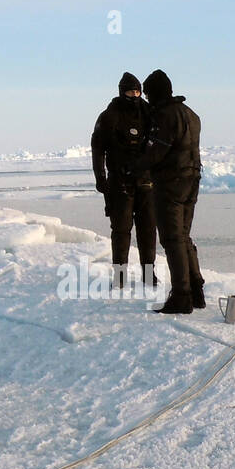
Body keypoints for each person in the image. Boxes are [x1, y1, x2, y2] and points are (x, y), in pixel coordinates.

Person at [136, 70, 205, 313]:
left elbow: (156, 151)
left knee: (172, 238)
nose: (146, 97)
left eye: (147, 92)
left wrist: (135, 166)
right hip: (192, 179)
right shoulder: (191, 114)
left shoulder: (165, 116)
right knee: (184, 236)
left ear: (155, 92)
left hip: (170, 183)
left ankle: (181, 296)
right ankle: (197, 290)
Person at [91, 72, 158, 290]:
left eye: (137, 91)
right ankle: (120, 276)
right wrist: (101, 178)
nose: (135, 95)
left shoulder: (149, 112)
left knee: (148, 229)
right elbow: (97, 148)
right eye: (130, 91)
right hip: (119, 182)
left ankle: (149, 274)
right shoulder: (109, 116)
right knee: (121, 230)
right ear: (122, 92)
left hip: (146, 181)